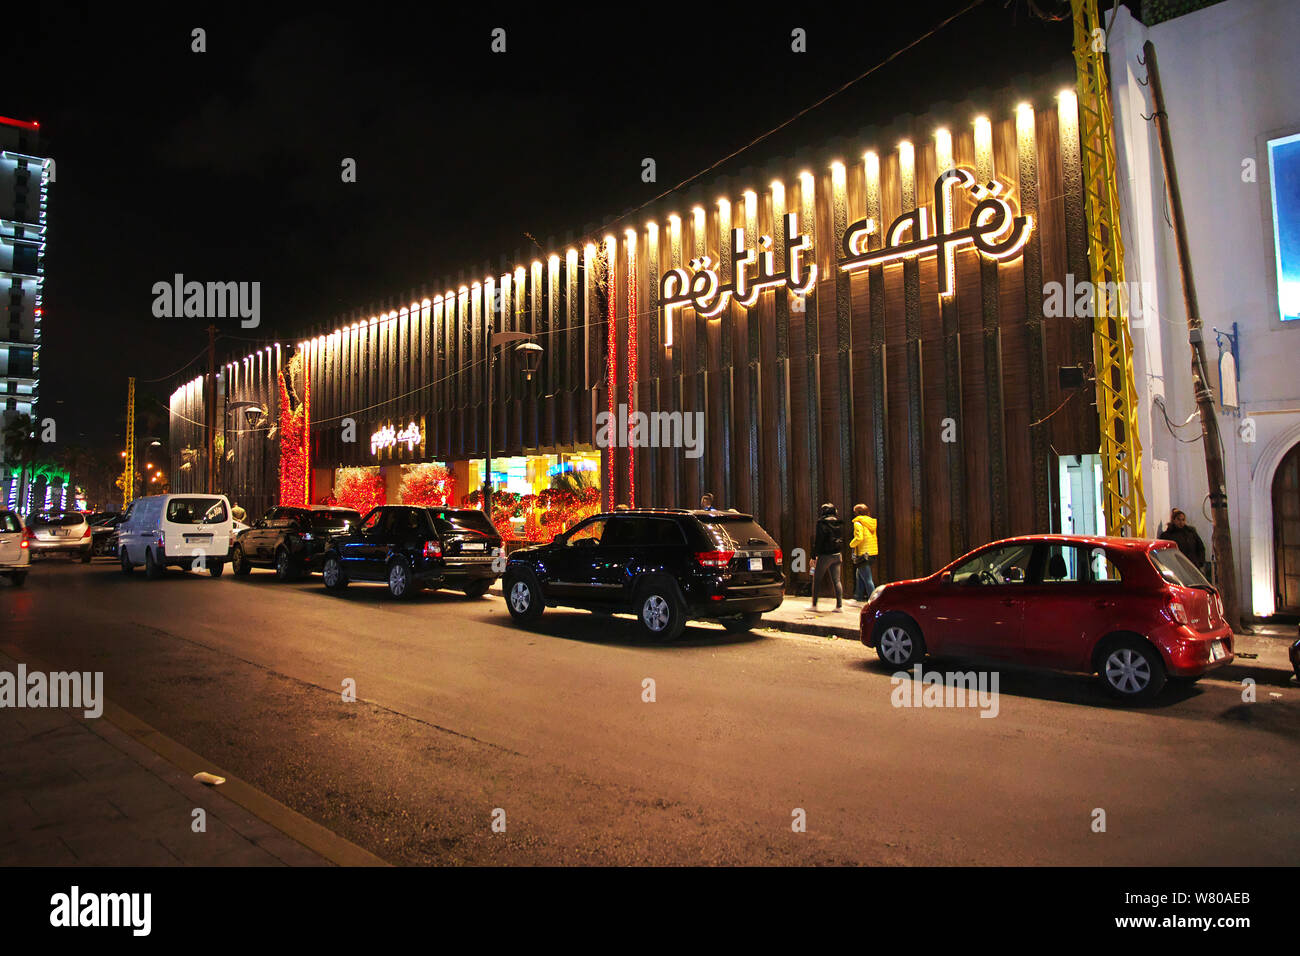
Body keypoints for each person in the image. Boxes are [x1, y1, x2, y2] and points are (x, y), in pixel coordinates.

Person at [810, 502, 845, 611]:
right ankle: (839, 606)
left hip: (825, 555)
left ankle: (814, 605)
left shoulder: (822, 523)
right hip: (837, 554)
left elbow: (819, 541)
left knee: (817, 580)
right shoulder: (838, 522)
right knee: (837, 581)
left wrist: (813, 556)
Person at [848, 503, 878, 601]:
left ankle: (874, 601)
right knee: (859, 575)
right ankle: (858, 597)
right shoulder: (871, 522)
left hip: (863, 553)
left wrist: (851, 544)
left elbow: (859, 538)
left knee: (868, 579)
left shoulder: (858, 523)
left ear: (858, 513)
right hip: (871, 553)